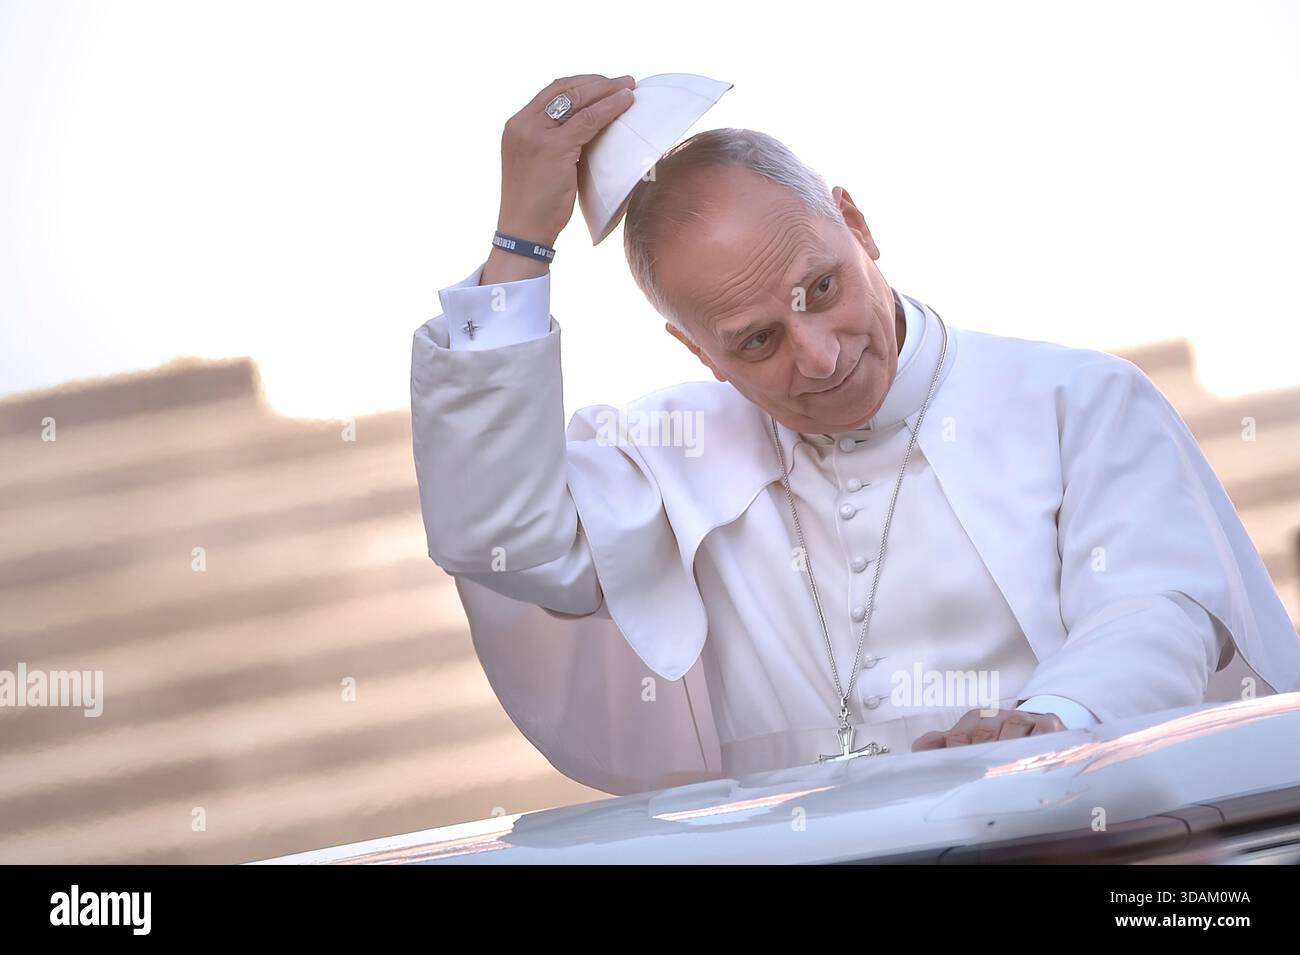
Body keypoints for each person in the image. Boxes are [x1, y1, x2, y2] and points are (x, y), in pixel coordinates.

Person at [409, 74, 1300, 795]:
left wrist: (1058, 719)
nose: (821, 357)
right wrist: (520, 243)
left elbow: (1163, 607)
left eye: (822, 289)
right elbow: (500, 536)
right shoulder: (664, 451)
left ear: (858, 225)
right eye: (756, 341)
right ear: (697, 350)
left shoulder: (1077, 399)